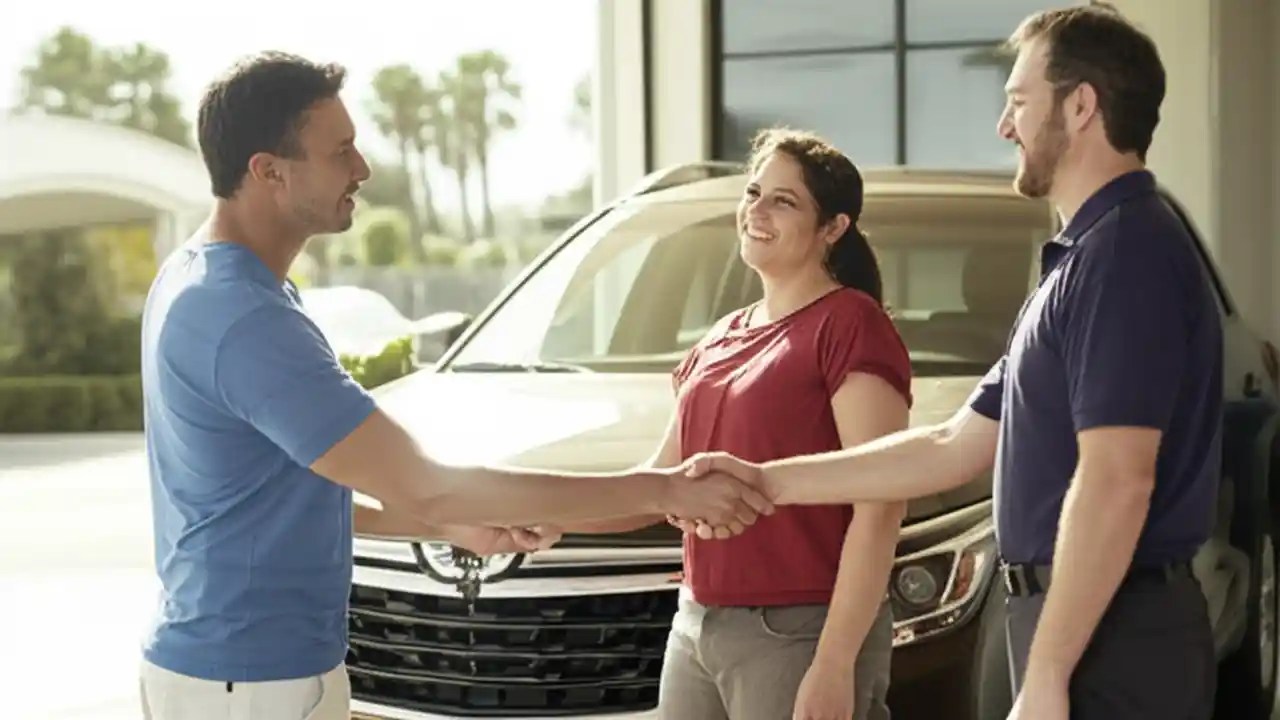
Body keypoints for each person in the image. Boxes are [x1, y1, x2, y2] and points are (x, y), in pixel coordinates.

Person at [137, 52, 771, 720]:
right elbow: (424, 477)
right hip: (251, 684)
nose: (362, 169)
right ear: (268, 171)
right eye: (341, 151)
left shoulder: (205, 282)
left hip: (242, 673)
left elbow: (287, 497)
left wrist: (453, 526)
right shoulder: (242, 315)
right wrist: (665, 488)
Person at [682, 5, 1221, 720]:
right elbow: (949, 445)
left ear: (1082, 105)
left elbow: (1117, 480)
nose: (1005, 127)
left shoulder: (1124, 257)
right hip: (1077, 619)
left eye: (1019, 101)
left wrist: (1050, 674)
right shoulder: (1080, 261)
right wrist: (763, 481)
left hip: (1110, 630)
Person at [565, 128, 912, 720]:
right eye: (754, 192)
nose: (757, 209)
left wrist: (833, 666)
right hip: (696, 624)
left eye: (785, 200)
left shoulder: (850, 323)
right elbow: (660, 481)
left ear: (834, 228)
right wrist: (548, 518)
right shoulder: (720, 336)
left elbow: (880, 503)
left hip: (799, 629)